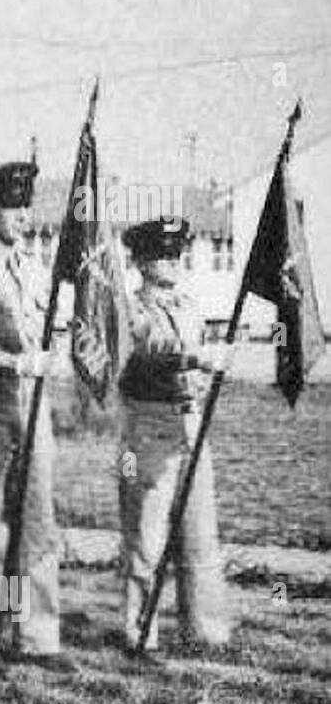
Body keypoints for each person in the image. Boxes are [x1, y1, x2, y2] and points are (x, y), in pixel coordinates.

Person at [0, 160, 70, 671]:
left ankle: (39, 636)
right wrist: (18, 360)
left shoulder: (32, 263)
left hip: (32, 400)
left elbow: (51, 322)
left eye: (27, 205)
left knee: (38, 519)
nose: (23, 216)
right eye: (13, 206)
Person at [117, 216, 231, 654]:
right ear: (141, 261)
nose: (171, 260)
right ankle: (140, 633)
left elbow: (196, 360)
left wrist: (201, 377)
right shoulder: (132, 307)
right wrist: (195, 357)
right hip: (148, 426)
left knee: (200, 531)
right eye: (161, 253)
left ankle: (204, 630)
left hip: (190, 421)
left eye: (175, 252)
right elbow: (148, 346)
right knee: (146, 535)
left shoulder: (188, 306)